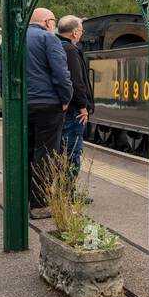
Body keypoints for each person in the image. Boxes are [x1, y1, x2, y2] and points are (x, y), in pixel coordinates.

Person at [0, 8, 72, 219]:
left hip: (20, 106)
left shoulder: (9, 41)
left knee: (24, 153)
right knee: (46, 155)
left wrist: (11, 103)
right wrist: (65, 99)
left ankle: (20, 202)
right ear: (48, 22)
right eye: (54, 21)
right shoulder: (49, 39)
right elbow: (61, 74)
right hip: (48, 106)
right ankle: (39, 205)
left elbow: (1, 79)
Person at [57, 15, 93, 187]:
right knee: (72, 151)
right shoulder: (70, 50)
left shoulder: (57, 46)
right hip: (74, 111)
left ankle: (65, 191)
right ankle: (68, 193)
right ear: (74, 32)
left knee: (65, 150)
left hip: (66, 109)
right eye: (81, 30)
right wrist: (83, 106)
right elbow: (76, 81)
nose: (81, 34)